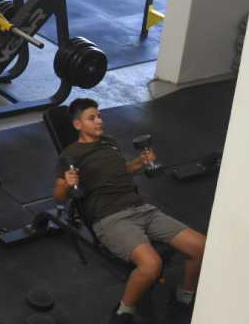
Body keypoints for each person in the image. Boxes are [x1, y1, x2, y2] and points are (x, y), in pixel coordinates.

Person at [53, 99, 207, 323]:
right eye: (92, 118)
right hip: (111, 218)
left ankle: (184, 296)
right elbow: (58, 198)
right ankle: (124, 311)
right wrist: (66, 183)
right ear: (78, 125)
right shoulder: (70, 154)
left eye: (100, 116)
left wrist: (141, 163)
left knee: (201, 247)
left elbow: (122, 172)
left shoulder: (109, 143)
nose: (99, 120)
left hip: (142, 208)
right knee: (152, 264)